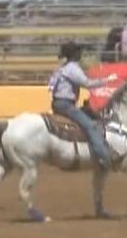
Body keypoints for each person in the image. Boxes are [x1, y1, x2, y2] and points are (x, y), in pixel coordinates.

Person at [48, 42, 118, 170]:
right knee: (90, 126)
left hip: (59, 102)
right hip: (66, 104)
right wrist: (107, 80)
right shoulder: (72, 68)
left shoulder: (63, 68)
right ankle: (104, 157)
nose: (81, 54)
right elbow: (87, 83)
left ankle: (104, 148)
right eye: (78, 51)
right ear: (74, 54)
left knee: (91, 116)